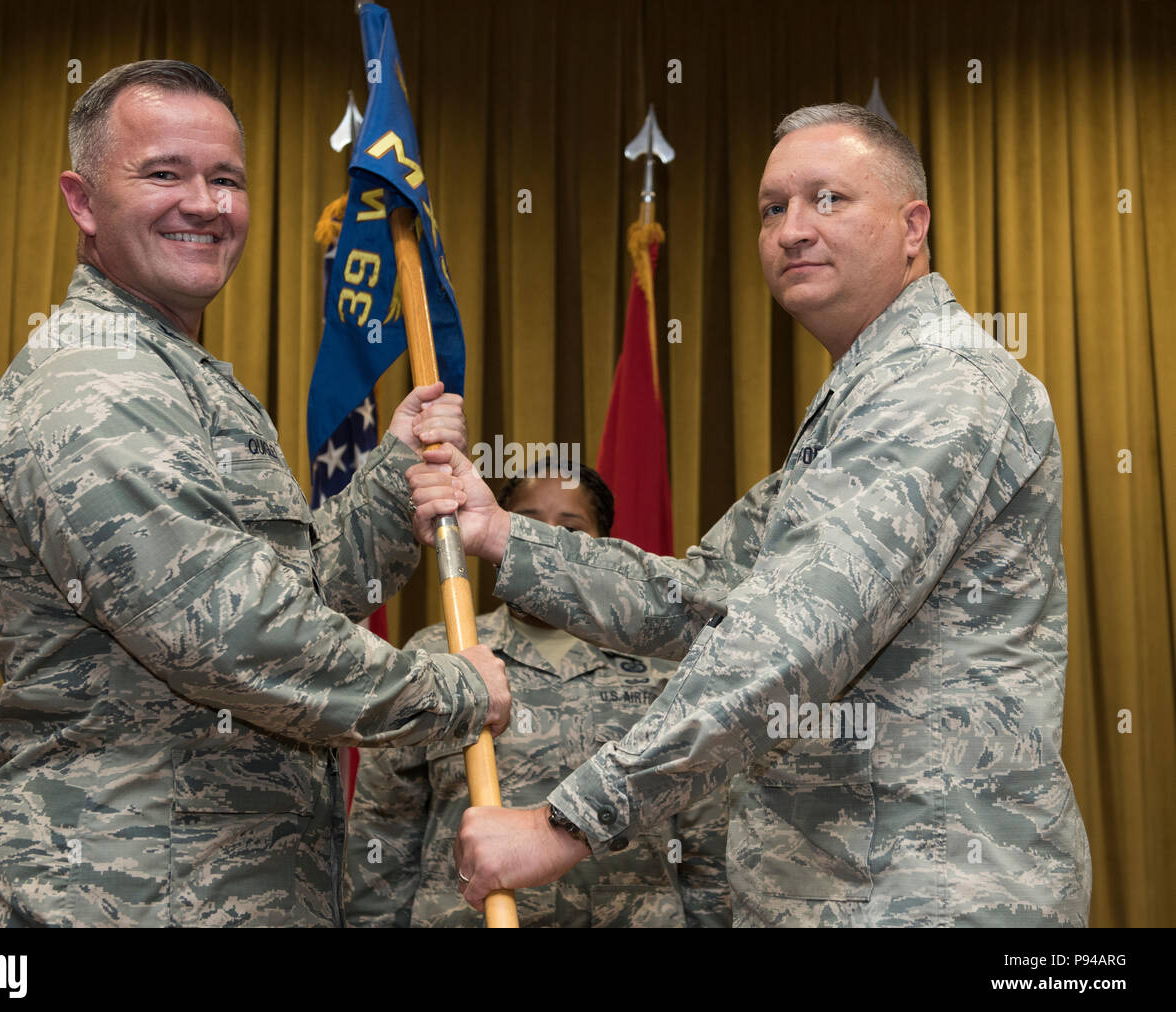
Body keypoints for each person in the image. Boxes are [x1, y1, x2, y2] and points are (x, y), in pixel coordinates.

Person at [409, 103, 1092, 927]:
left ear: (914, 226)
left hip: (927, 891)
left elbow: (789, 640)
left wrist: (566, 822)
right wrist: (503, 536)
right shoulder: (860, 399)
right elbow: (700, 598)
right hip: (837, 892)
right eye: (774, 209)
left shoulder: (940, 385)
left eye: (828, 200)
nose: (793, 230)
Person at [0, 59, 509, 928]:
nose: (206, 204)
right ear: (83, 200)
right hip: (117, 894)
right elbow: (231, 634)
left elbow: (295, 595)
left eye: (226, 180)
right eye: (164, 174)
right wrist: (451, 694)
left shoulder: (184, 375)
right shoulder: (95, 383)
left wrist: (396, 473)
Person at [345, 465, 730, 927]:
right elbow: (384, 827)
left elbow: (705, 835)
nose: (546, 540)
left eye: (569, 530)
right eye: (526, 522)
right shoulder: (439, 656)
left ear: (601, 549)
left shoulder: (666, 669)